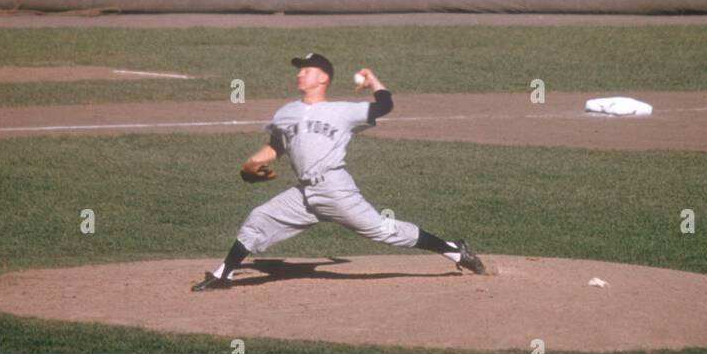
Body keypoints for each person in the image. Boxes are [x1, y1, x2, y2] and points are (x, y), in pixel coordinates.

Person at [191, 52, 486, 290]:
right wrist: (250, 165)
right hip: (304, 194)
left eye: (306, 69)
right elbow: (274, 148)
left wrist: (372, 79)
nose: (299, 73)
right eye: (299, 69)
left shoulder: (342, 111)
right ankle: (224, 274)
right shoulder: (285, 112)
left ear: (322, 78)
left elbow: (384, 106)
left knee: (385, 231)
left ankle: (454, 250)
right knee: (259, 218)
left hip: (335, 189)